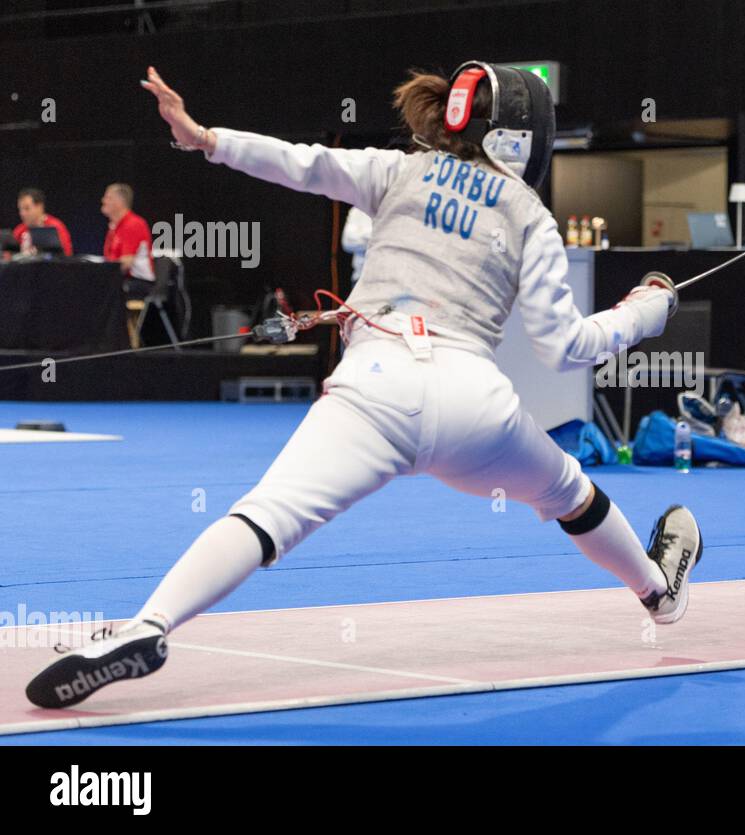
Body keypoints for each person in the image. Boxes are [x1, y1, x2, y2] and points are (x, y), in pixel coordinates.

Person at [27, 64, 703, 709]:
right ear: (531, 139)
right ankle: (657, 592)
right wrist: (648, 308)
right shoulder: (531, 215)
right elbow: (568, 347)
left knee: (267, 514)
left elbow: (303, 162)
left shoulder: (401, 170)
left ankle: (150, 625)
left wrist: (206, 139)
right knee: (566, 490)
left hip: (375, 387)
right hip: (476, 405)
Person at [101, 182, 155, 297]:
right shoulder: (114, 227)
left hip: (138, 283)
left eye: (108, 197)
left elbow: (126, 263)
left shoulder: (133, 224)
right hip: (122, 279)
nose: (103, 201)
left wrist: (101, 274)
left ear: (119, 202)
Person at [14, 188, 73, 256]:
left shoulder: (56, 227)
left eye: (27, 208)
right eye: (20, 209)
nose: (22, 213)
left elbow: (67, 255)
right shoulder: (19, 230)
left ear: (40, 206)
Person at [340, 205, 372, 288]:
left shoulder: (402, 210)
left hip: (395, 280)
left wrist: (362, 233)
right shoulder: (358, 210)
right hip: (361, 279)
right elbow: (347, 243)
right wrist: (378, 233)